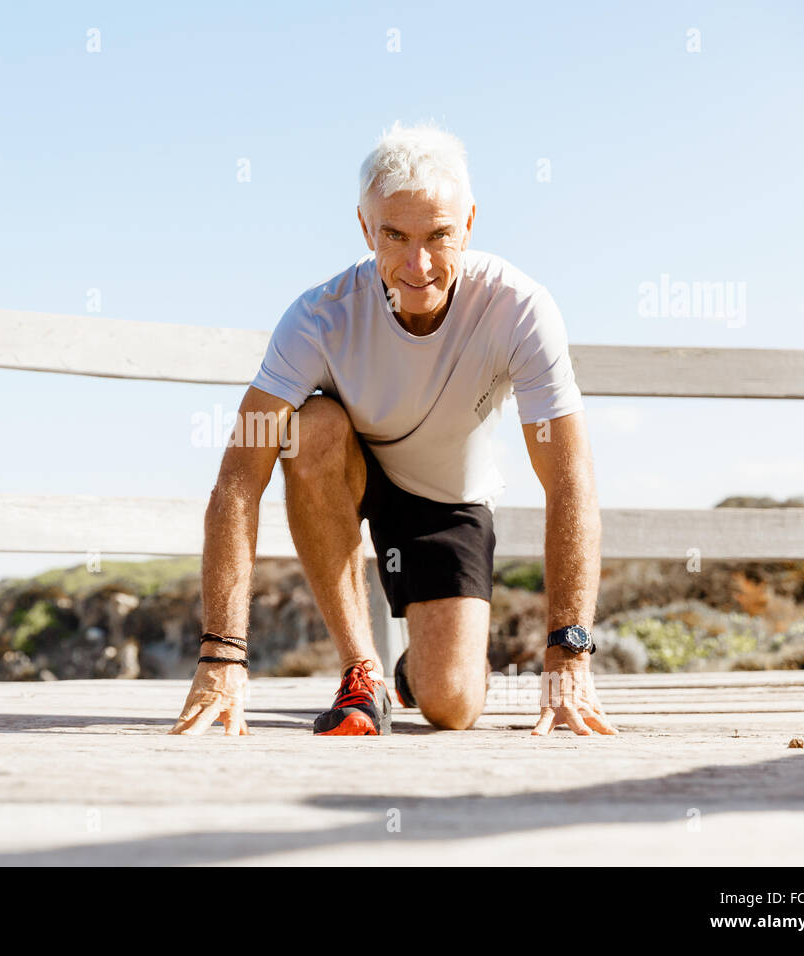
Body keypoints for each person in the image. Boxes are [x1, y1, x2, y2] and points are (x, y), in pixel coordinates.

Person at [170, 120, 616, 738]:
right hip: (347, 466)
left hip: (445, 498)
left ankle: (418, 668)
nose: (418, 265)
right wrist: (223, 655)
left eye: (439, 235)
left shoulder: (519, 308)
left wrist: (569, 655)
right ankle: (363, 670)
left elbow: (570, 482)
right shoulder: (317, 319)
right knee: (314, 425)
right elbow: (237, 481)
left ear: (469, 222)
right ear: (363, 228)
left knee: (452, 707)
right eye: (394, 236)